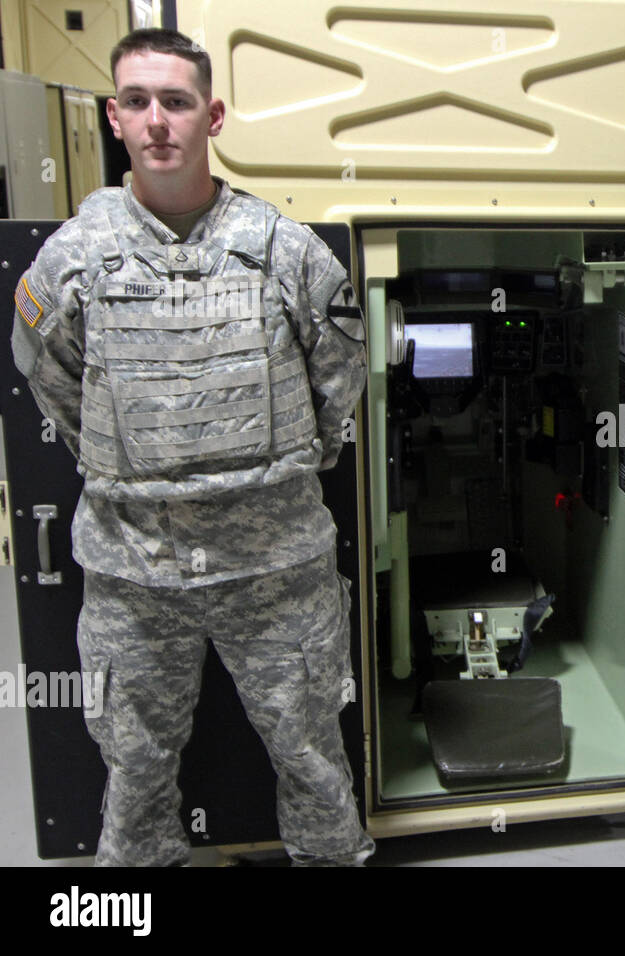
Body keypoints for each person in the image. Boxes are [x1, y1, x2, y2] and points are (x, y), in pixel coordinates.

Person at [10, 28, 375, 864]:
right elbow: (51, 376)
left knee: (312, 755)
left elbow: (340, 374)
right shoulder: (74, 258)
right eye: (137, 102)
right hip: (135, 570)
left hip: (275, 565)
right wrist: (125, 464)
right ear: (114, 117)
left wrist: (280, 473)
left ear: (211, 115)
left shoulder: (284, 250)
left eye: (175, 101)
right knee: (133, 770)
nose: (156, 121)